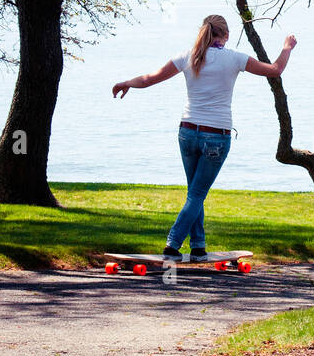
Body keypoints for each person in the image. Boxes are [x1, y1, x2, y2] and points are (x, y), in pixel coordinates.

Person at [112, 14, 296, 259]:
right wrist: (286, 47)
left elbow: (150, 79)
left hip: (187, 133)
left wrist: (127, 82)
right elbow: (275, 70)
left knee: (194, 193)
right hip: (215, 137)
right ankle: (172, 245)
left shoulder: (188, 56)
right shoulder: (234, 58)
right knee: (197, 194)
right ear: (226, 35)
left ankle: (198, 247)